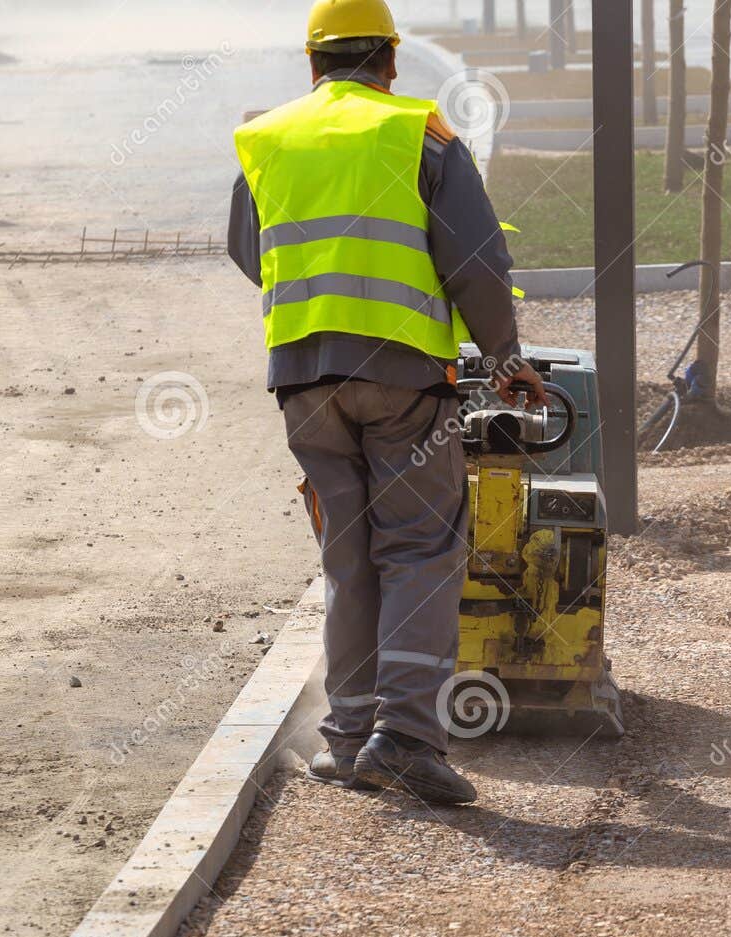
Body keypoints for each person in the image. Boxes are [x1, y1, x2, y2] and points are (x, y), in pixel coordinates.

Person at [228, 0, 543, 806]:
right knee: (419, 549)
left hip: (302, 378)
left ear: (311, 66)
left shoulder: (266, 139)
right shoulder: (420, 134)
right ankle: (403, 736)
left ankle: (346, 737)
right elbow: (475, 258)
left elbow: (248, 249)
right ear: (392, 62)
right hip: (403, 381)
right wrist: (504, 358)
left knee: (349, 555)